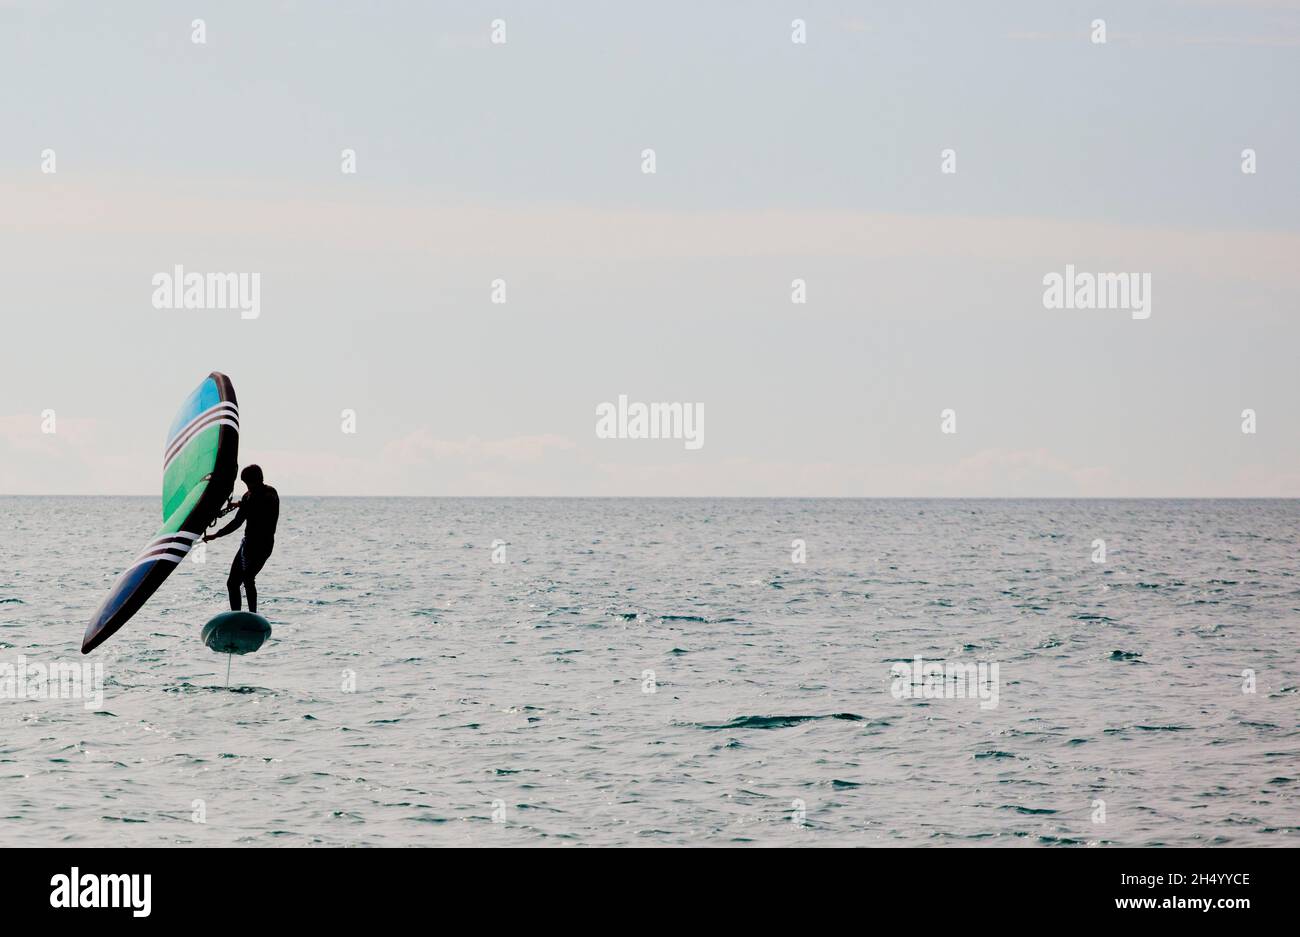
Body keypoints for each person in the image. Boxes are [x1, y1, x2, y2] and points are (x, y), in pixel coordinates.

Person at [205, 465, 279, 614]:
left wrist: (216, 535)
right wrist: (240, 504)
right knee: (232, 583)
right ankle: (237, 616)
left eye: (248, 483)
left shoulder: (259, 497)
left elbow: (236, 523)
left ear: (257, 480)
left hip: (262, 546)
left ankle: (252, 615)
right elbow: (251, 503)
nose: (247, 487)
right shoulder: (267, 493)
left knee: (248, 578)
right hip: (249, 545)